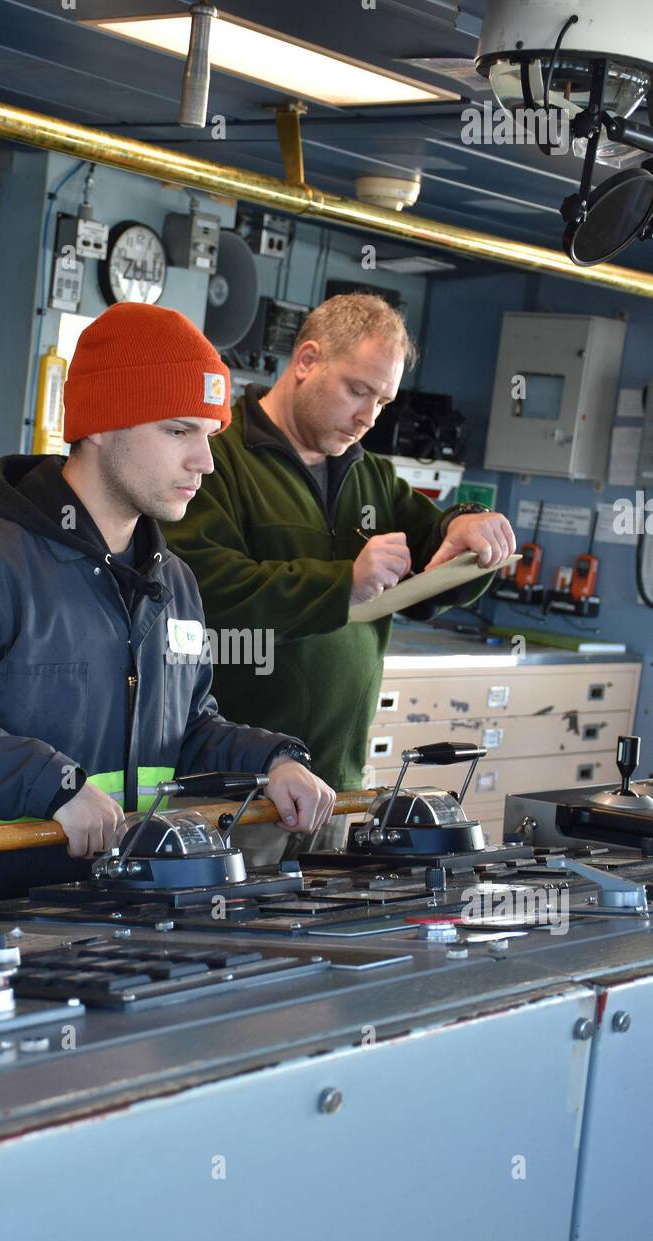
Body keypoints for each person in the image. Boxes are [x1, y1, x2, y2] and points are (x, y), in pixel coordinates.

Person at [0, 302, 335, 907]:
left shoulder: (174, 583)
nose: (205, 462)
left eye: (208, 436)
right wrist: (51, 785)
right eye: (178, 430)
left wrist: (272, 763)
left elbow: (185, 732)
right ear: (103, 423)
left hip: (126, 916)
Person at [162, 293, 516, 862]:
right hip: (236, 792)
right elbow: (204, 591)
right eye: (357, 390)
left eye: (383, 400)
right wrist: (340, 584)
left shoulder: (371, 474)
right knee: (230, 945)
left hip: (339, 788)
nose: (368, 417)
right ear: (306, 360)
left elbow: (437, 559)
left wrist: (469, 532)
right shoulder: (217, 461)